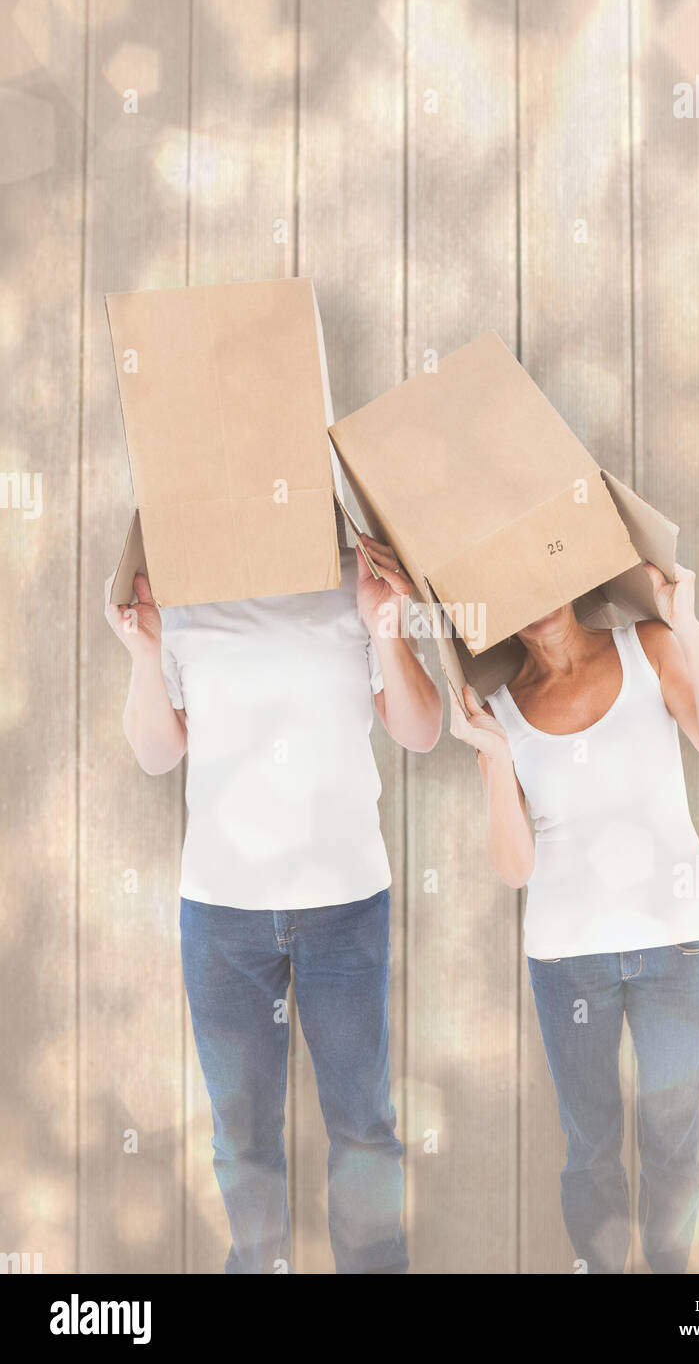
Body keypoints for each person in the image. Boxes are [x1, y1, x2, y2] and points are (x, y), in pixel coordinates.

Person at [105, 534, 441, 1275]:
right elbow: (159, 753)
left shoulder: (360, 570)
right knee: (243, 1141)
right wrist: (144, 653)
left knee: (363, 1128)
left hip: (346, 907)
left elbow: (421, 731)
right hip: (224, 916)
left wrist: (385, 627)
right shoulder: (185, 581)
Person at [448, 561, 699, 1274]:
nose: (537, 603)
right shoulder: (505, 707)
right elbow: (515, 868)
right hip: (567, 958)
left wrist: (690, 624)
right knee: (590, 1146)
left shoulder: (650, 646)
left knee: (672, 1136)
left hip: (677, 944)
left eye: (543, 575)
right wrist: (493, 757)